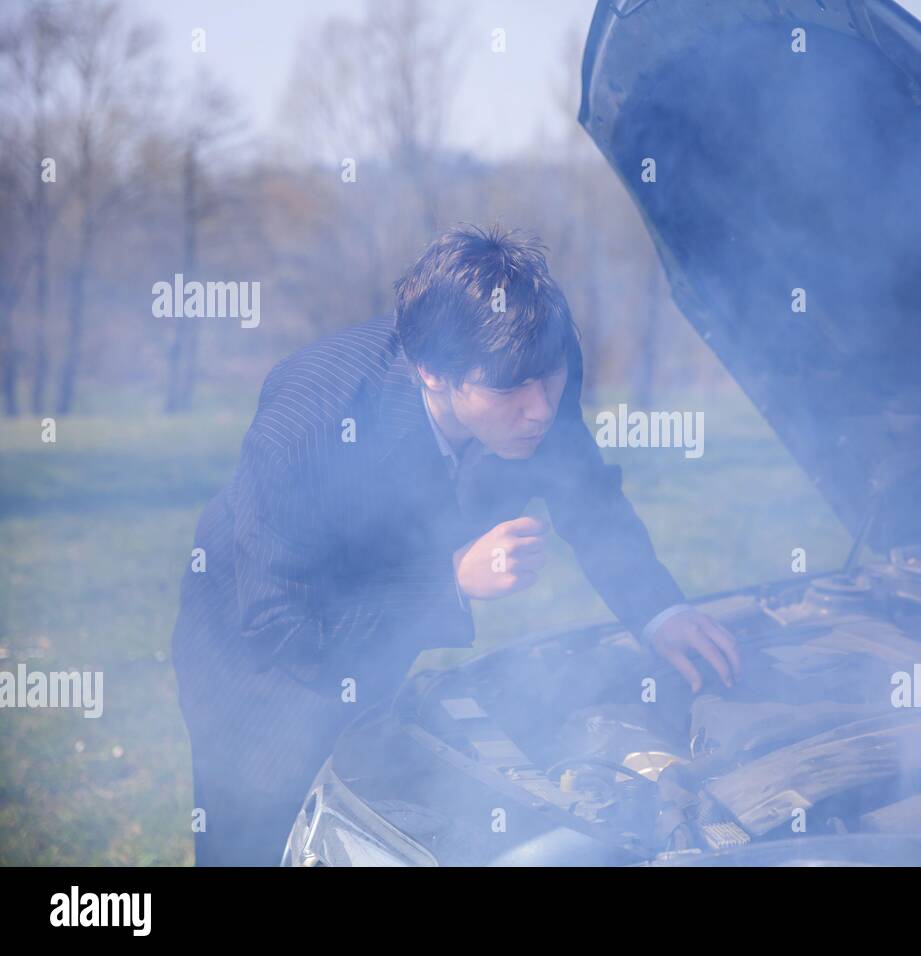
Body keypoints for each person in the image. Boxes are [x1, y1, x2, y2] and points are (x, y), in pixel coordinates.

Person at [170, 223, 741, 865]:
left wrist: (659, 613)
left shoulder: (535, 359)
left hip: (378, 640)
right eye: (509, 391)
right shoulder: (310, 420)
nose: (539, 411)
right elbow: (277, 624)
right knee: (255, 840)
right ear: (432, 373)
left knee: (374, 828)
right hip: (258, 666)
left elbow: (587, 494)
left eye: (549, 382)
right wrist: (451, 582)